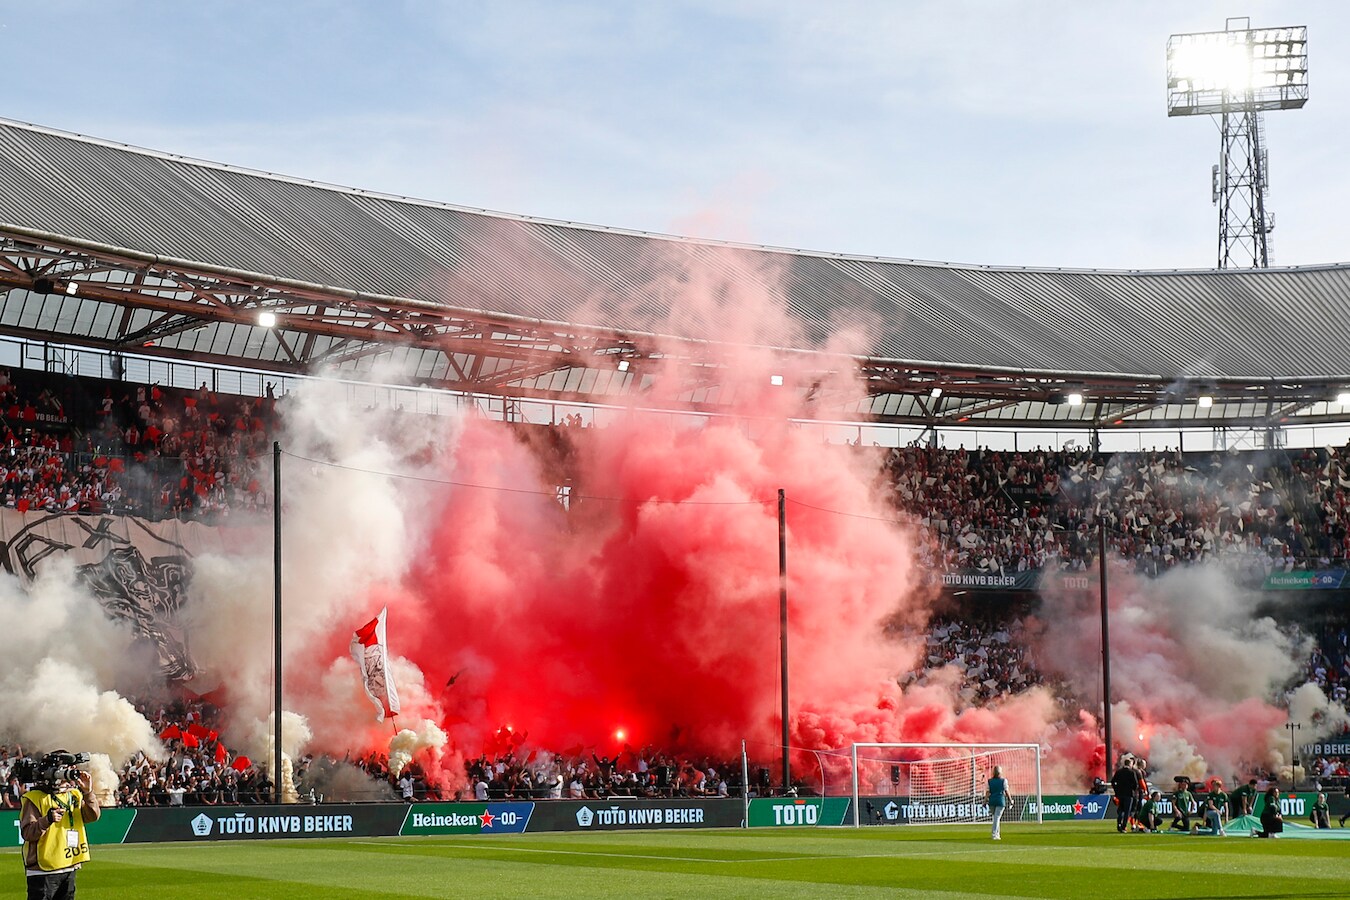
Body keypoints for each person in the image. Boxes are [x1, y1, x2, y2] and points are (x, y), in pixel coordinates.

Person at [18, 757, 101, 900]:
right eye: (65, 769)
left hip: (69, 865)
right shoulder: (34, 798)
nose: (69, 773)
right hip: (43, 871)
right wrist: (47, 820)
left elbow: (93, 816)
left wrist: (88, 793)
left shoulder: (74, 795)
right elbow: (28, 833)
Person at [1110, 756, 1138, 833]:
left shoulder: (1118, 772)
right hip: (1129, 795)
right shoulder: (1132, 772)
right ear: (1130, 764)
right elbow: (1136, 784)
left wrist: (1116, 791)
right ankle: (1123, 826)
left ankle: (1119, 824)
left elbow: (1113, 782)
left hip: (1120, 794)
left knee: (1120, 810)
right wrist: (1133, 790)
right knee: (1127, 811)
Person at [987, 765, 1010, 841]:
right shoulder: (1003, 781)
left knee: (996, 818)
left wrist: (984, 801)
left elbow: (987, 792)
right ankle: (994, 834)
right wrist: (1010, 800)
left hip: (992, 801)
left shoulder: (989, 781)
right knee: (997, 818)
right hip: (1000, 801)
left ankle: (997, 833)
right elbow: (1006, 791)